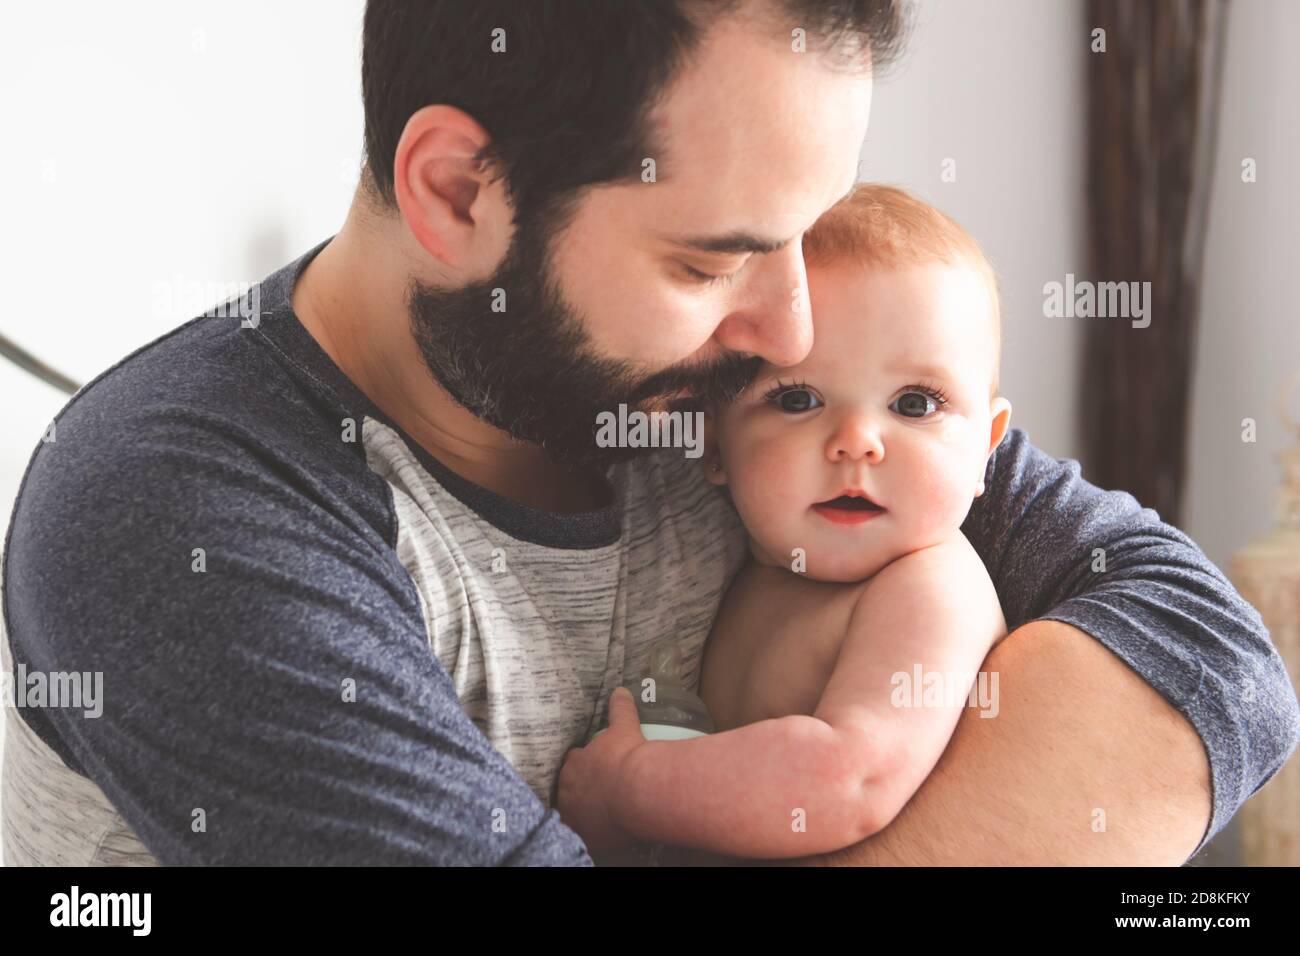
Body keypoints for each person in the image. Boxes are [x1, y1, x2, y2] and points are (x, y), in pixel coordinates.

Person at [1, 0, 1296, 866]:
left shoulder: (747, 386)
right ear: (455, 192)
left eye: (809, 232)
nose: (794, 329)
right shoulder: (184, 511)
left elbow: (1204, 654)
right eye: (710, 260)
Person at [556, 184, 1013, 858]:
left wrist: (632, 782)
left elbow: (848, 779)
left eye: (915, 404)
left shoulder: (930, 589)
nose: (858, 441)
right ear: (712, 445)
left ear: (986, 448)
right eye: (798, 398)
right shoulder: (745, 561)